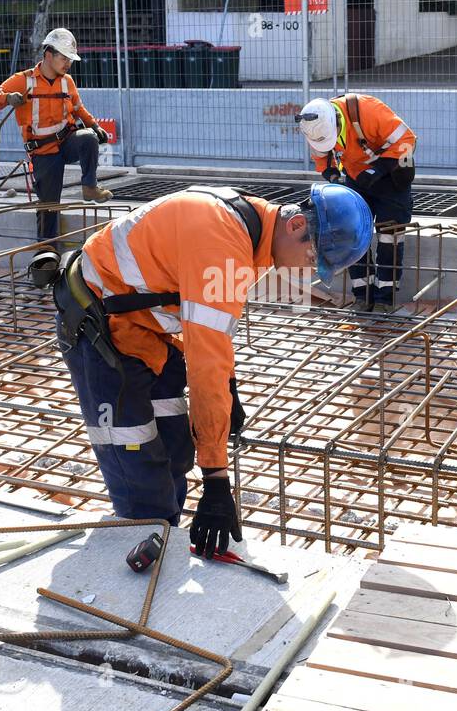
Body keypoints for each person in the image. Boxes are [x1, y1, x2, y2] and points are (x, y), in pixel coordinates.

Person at [38, 183, 373, 558]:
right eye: (312, 259)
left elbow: (212, 331)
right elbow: (205, 358)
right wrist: (216, 479)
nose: (305, 270)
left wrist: (227, 388)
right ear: (296, 225)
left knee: (174, 446)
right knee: (139, 468)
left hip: (145, 329)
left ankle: (164, 539)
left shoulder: (251, 229)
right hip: (100, 328)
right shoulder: (224, 241)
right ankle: (140, 560)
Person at [0, 27, 111, 242]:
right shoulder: (23, 81)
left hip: (66, 141)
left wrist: (94, 125)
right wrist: (8, 98)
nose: (68, 63)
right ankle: (46, 254)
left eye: (70, 59)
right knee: (49, 207)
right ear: (48, 55)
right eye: (64, 58)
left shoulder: (67, 81)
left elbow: (78, 108)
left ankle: (89, 187)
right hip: (43, 152)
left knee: (89, 138)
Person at [296, 94, 417, 312]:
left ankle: (384, 300)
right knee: (351, 233)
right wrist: (329, 172)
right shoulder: (314, 127)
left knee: (390, 235)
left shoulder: (368, 111)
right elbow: (320, 153)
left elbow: (407, 141)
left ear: (337, 121)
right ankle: (363, 295)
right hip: (357, 177)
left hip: (391, 176)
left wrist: (377, 170)